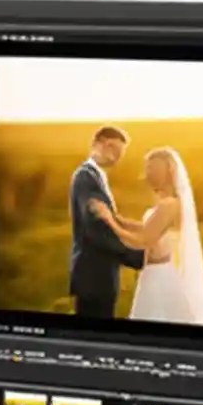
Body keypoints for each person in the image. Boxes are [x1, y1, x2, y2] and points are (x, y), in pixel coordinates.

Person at [88, 147, 203, 325]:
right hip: (154, 274)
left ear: (168, 172)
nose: (147, 174)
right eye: (147, 168)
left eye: (153, 168)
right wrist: (118, 220)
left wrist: (109, 222)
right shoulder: (167, 204)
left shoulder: (168, 206)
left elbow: (143, 240)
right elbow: (146, 228)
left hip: (159, 278)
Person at [68, 126, 145, 318]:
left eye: (120, 152)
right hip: (93, 277)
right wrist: (135, 257)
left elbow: (110, 221)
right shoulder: (86, 177)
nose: (116, 156)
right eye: (112, 149)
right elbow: (96, 230)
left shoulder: (97, 176)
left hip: (99, 275)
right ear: (97, 144)